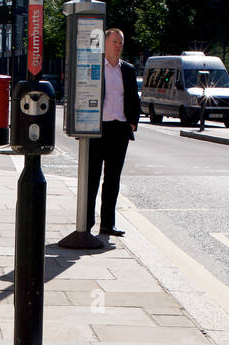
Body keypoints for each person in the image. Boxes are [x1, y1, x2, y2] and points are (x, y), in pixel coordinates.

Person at [85, 27, 139, 238]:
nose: (118, 46)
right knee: (92, 178)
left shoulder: (128, 70)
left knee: (113, 180)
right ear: (105, 44)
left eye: (121, 42)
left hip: (120, 130)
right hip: (99, 129)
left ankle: (107, 224)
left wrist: (132, 123)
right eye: (115, 42)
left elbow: (133, 98)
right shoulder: (95, 67)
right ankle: (87, 222)